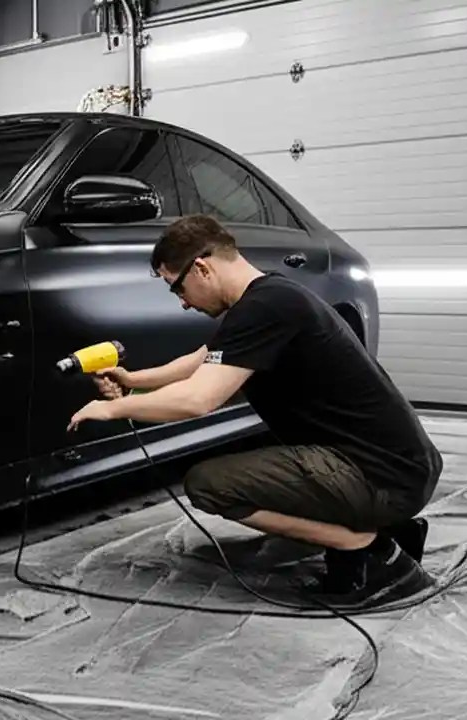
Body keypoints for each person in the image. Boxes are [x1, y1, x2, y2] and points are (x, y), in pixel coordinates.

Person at [67, 214, 442, 608]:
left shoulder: (265, 307)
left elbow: (199, 399)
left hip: (384, 477)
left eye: (176, 287)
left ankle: (373, 549)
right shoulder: (271, 297)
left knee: (210, 484)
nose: (181, 302)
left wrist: (114, 409)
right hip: (397, 468)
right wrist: (134, 378)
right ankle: (386, 527)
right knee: (267, 481)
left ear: (202, 268)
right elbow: (204, 359)